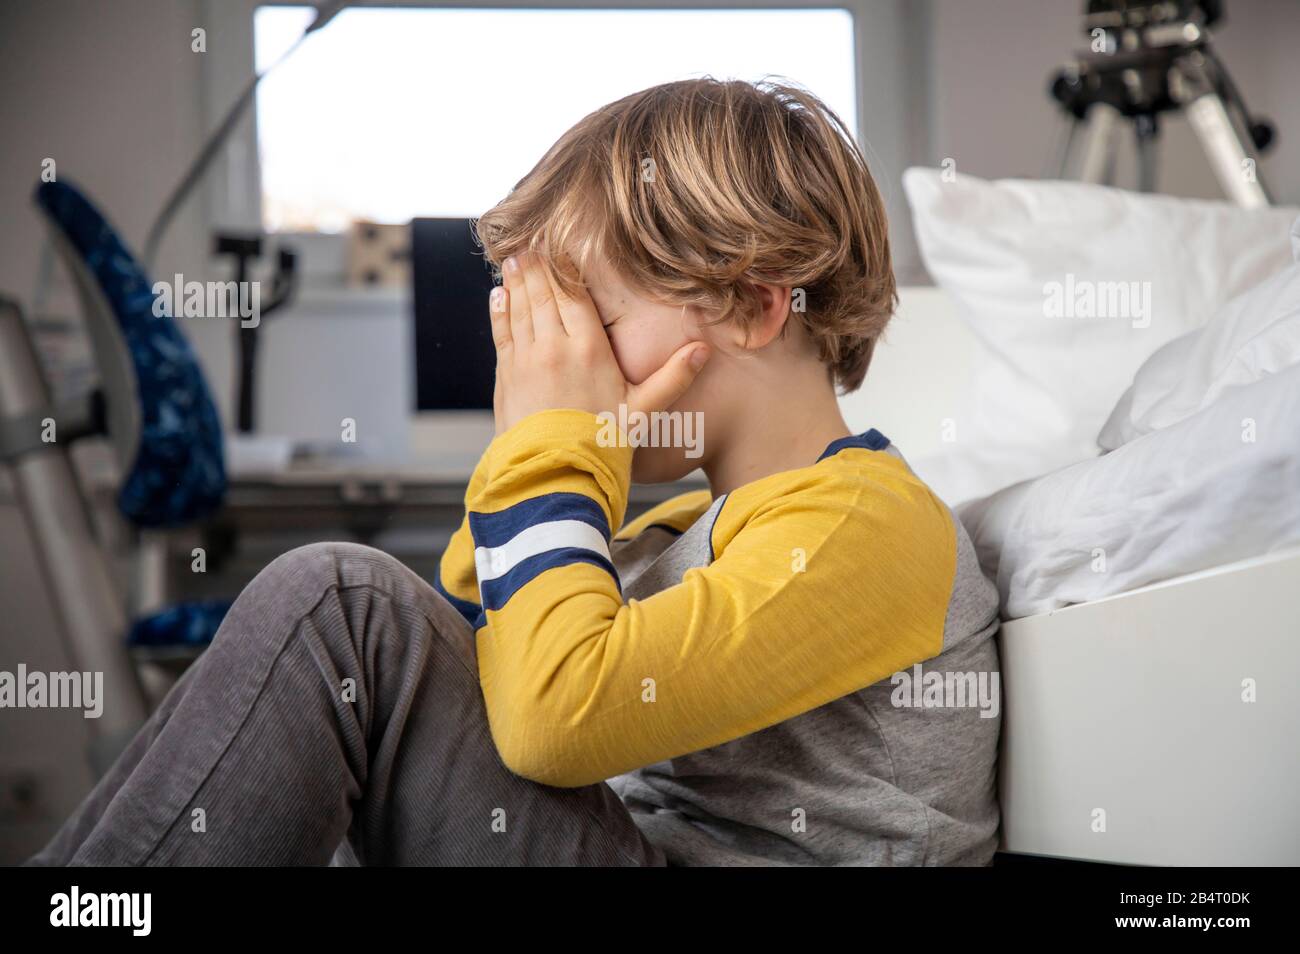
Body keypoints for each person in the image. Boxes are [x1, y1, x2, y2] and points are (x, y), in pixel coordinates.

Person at [32, 78, 1000, 867]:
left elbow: (548, 720)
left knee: (341, 604)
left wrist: (555, 447)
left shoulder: (867, 521)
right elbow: (467, 651)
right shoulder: (676, 535)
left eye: (596, 325)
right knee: (366, 619)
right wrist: (542, 448)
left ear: (753, 306)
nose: (567, 361)